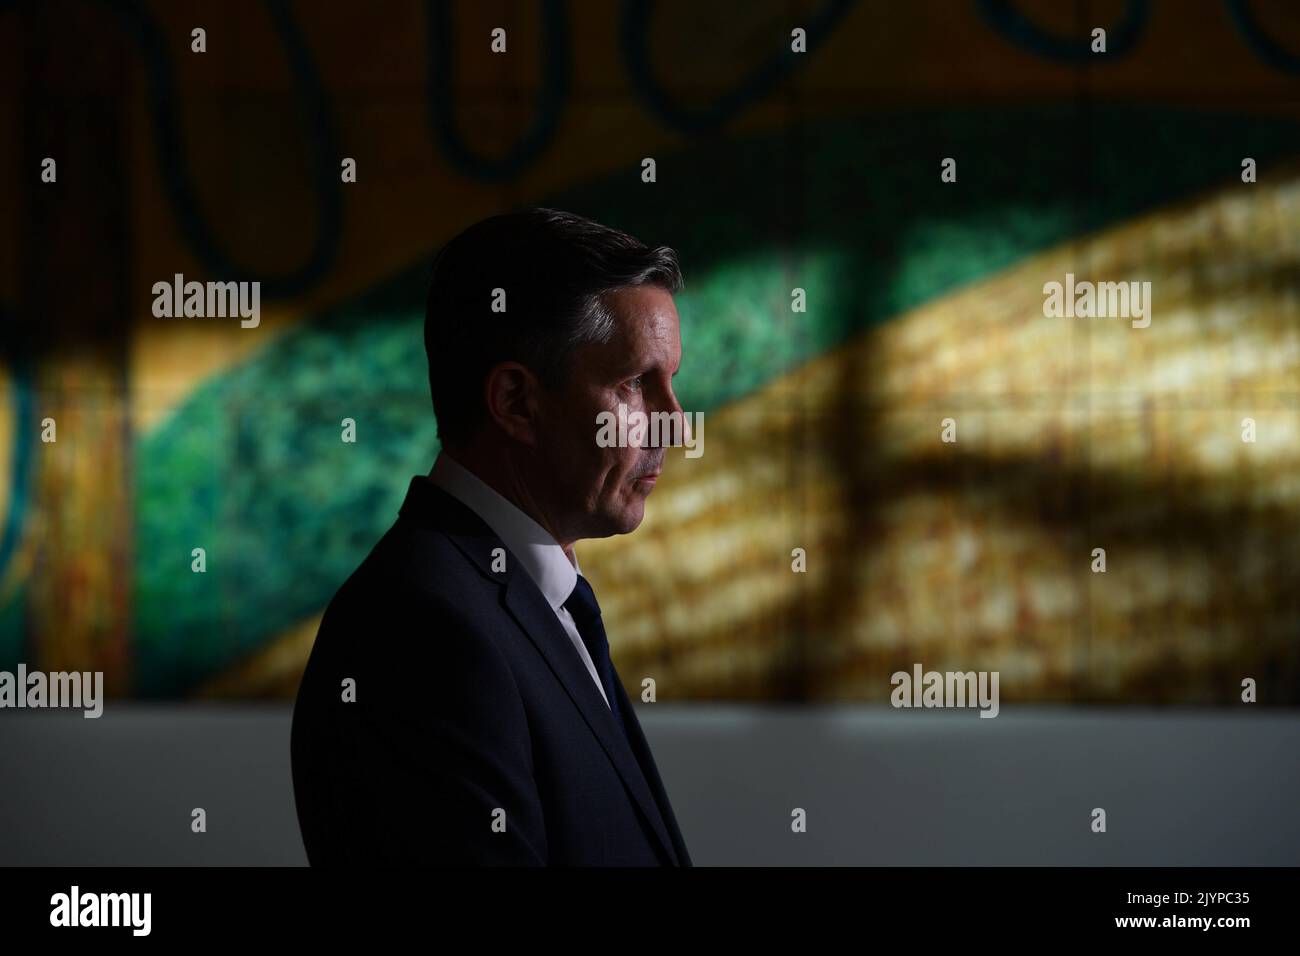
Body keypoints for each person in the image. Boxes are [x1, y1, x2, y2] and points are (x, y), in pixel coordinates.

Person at [291, 207, 693, 865]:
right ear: (514, 402)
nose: (676, 424)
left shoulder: (519, 600)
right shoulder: (421, 626)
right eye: (633, 385)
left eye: (670, 384)